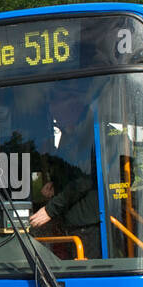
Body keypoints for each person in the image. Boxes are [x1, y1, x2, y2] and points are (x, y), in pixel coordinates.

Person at [30, 85, 100, 258]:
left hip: (89, 227)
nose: (52, 112)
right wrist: (55, 184)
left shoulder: (91, 133)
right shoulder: (69, 136)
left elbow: (84, 180)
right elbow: (71, 174)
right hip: (73, 224)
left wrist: (50, 210)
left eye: (55, 104)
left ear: (74, 104)